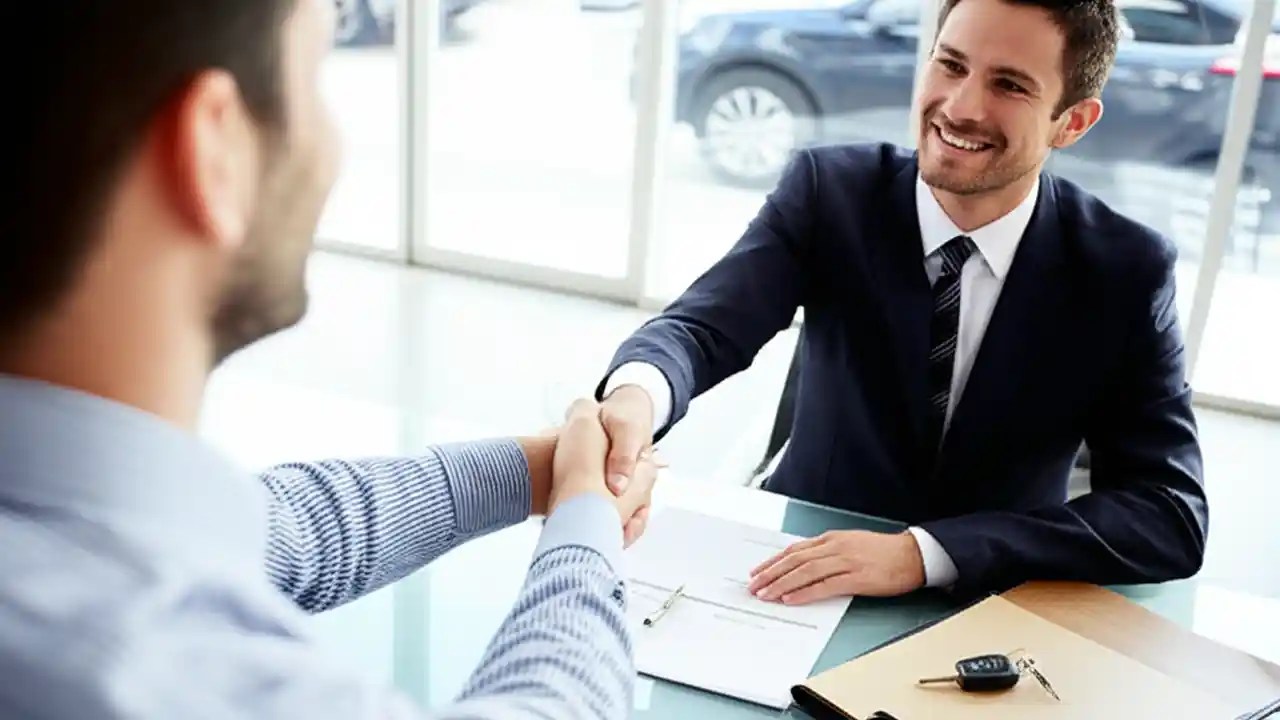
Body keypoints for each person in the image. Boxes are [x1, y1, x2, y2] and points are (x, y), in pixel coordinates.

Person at [0, 1, 653, 718]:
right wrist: (588, 521)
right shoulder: (142, 673)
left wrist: (534, 472)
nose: (333, 144)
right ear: (214, 149)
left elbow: (281, 532)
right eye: (316, 72)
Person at [592, 0, 1209, 604]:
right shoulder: (828, 193)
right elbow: (702, 329)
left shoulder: (1125, 270)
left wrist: (924, 554)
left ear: (1071, 122)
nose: (961, 107)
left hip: (987, 598)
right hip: (795, 571)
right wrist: (636, 396)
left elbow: (1170, 513)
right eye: (951, 64)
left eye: (1010, 85)